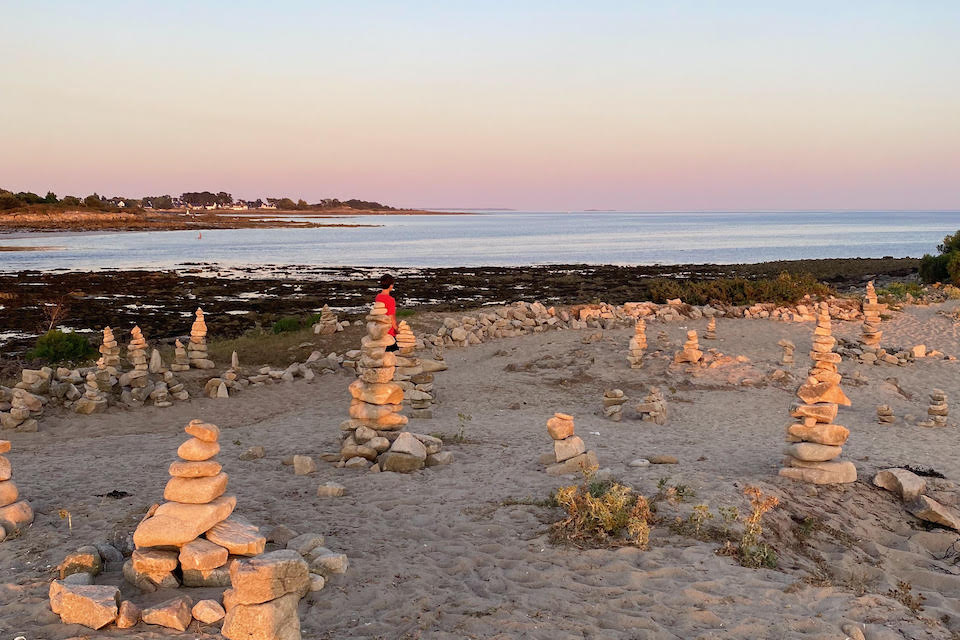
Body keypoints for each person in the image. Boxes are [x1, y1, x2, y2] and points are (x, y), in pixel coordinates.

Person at [375, 274, 399, 351]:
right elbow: (391, 317)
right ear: (391, 285)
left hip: (380, 329)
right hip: (389, 332)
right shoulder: (390, 300)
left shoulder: (378, 297)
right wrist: (396, 329)